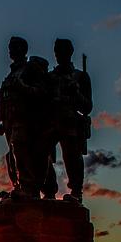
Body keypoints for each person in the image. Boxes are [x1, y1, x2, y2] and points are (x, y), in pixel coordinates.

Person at [0, 38, 53, 199]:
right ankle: (23, 186)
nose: (10, 50)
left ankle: (30, 187)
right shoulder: (12, 73)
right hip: (10, 120)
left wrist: (22, 87)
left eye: (14, 47)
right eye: (10, 47)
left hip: (26, 119)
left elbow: (42, 92)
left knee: (24, 151)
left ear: (23, 49)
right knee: (16, 155)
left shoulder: (31, 69)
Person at [49, 38, 92, 203]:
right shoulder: (50, 77)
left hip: (70, 123)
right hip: (51, 122)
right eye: (56, 51)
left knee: (72, 157)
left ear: (70, 52)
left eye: (62, 51)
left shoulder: (80, 76)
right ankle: (48, 190)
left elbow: (87, 107)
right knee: (42, 154)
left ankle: (76, 191)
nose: (58, 54)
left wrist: (77, 94)